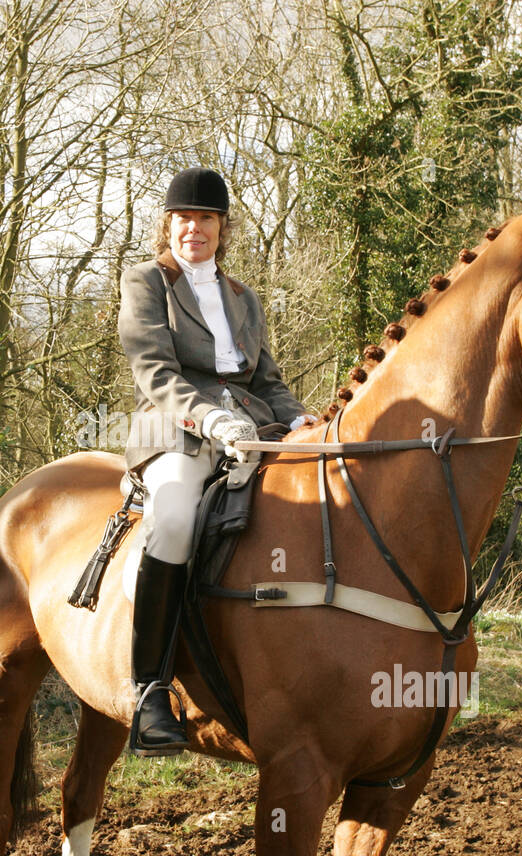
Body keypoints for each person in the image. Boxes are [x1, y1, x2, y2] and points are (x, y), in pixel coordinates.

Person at [118, 167, 314, 754]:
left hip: (254, 429)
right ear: (168, 225)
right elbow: (155, 372)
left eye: (205, 218)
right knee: (175, 518)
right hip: (177, 431)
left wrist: (303, 419)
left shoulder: (243, 297)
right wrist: (209, 417)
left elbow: (268, 380)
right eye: (183, 217)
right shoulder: (146, 282)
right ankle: (149, 690)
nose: (193, 228)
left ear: (221, 227)